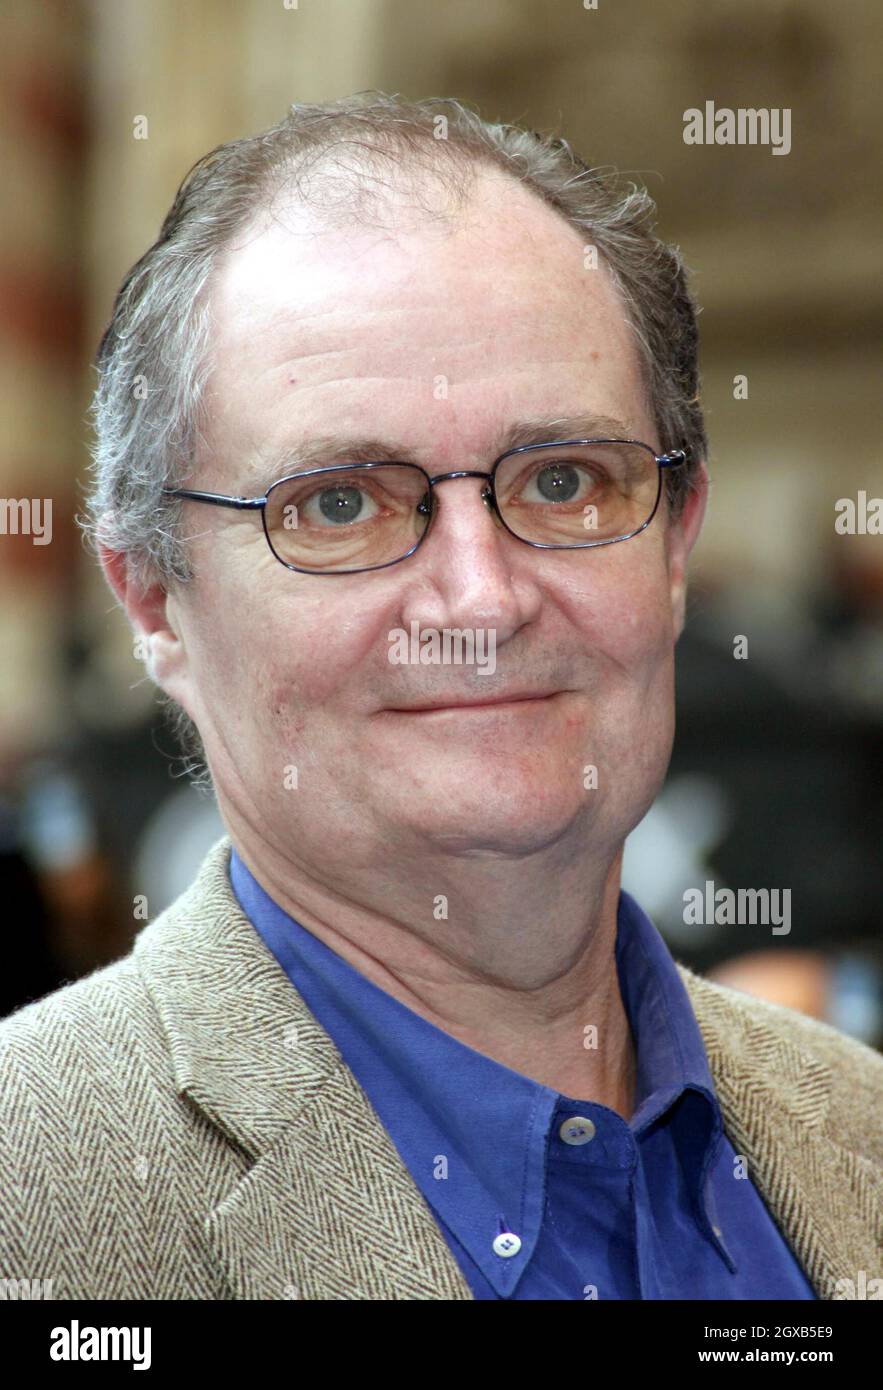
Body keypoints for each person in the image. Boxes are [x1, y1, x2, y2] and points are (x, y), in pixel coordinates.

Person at [1, 92, 879, 1302]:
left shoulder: (861, 1135)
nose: (480, 600)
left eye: (565, 479)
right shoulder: (28, 1198)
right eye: (342, 504)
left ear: (675, 549)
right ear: (155, 601)